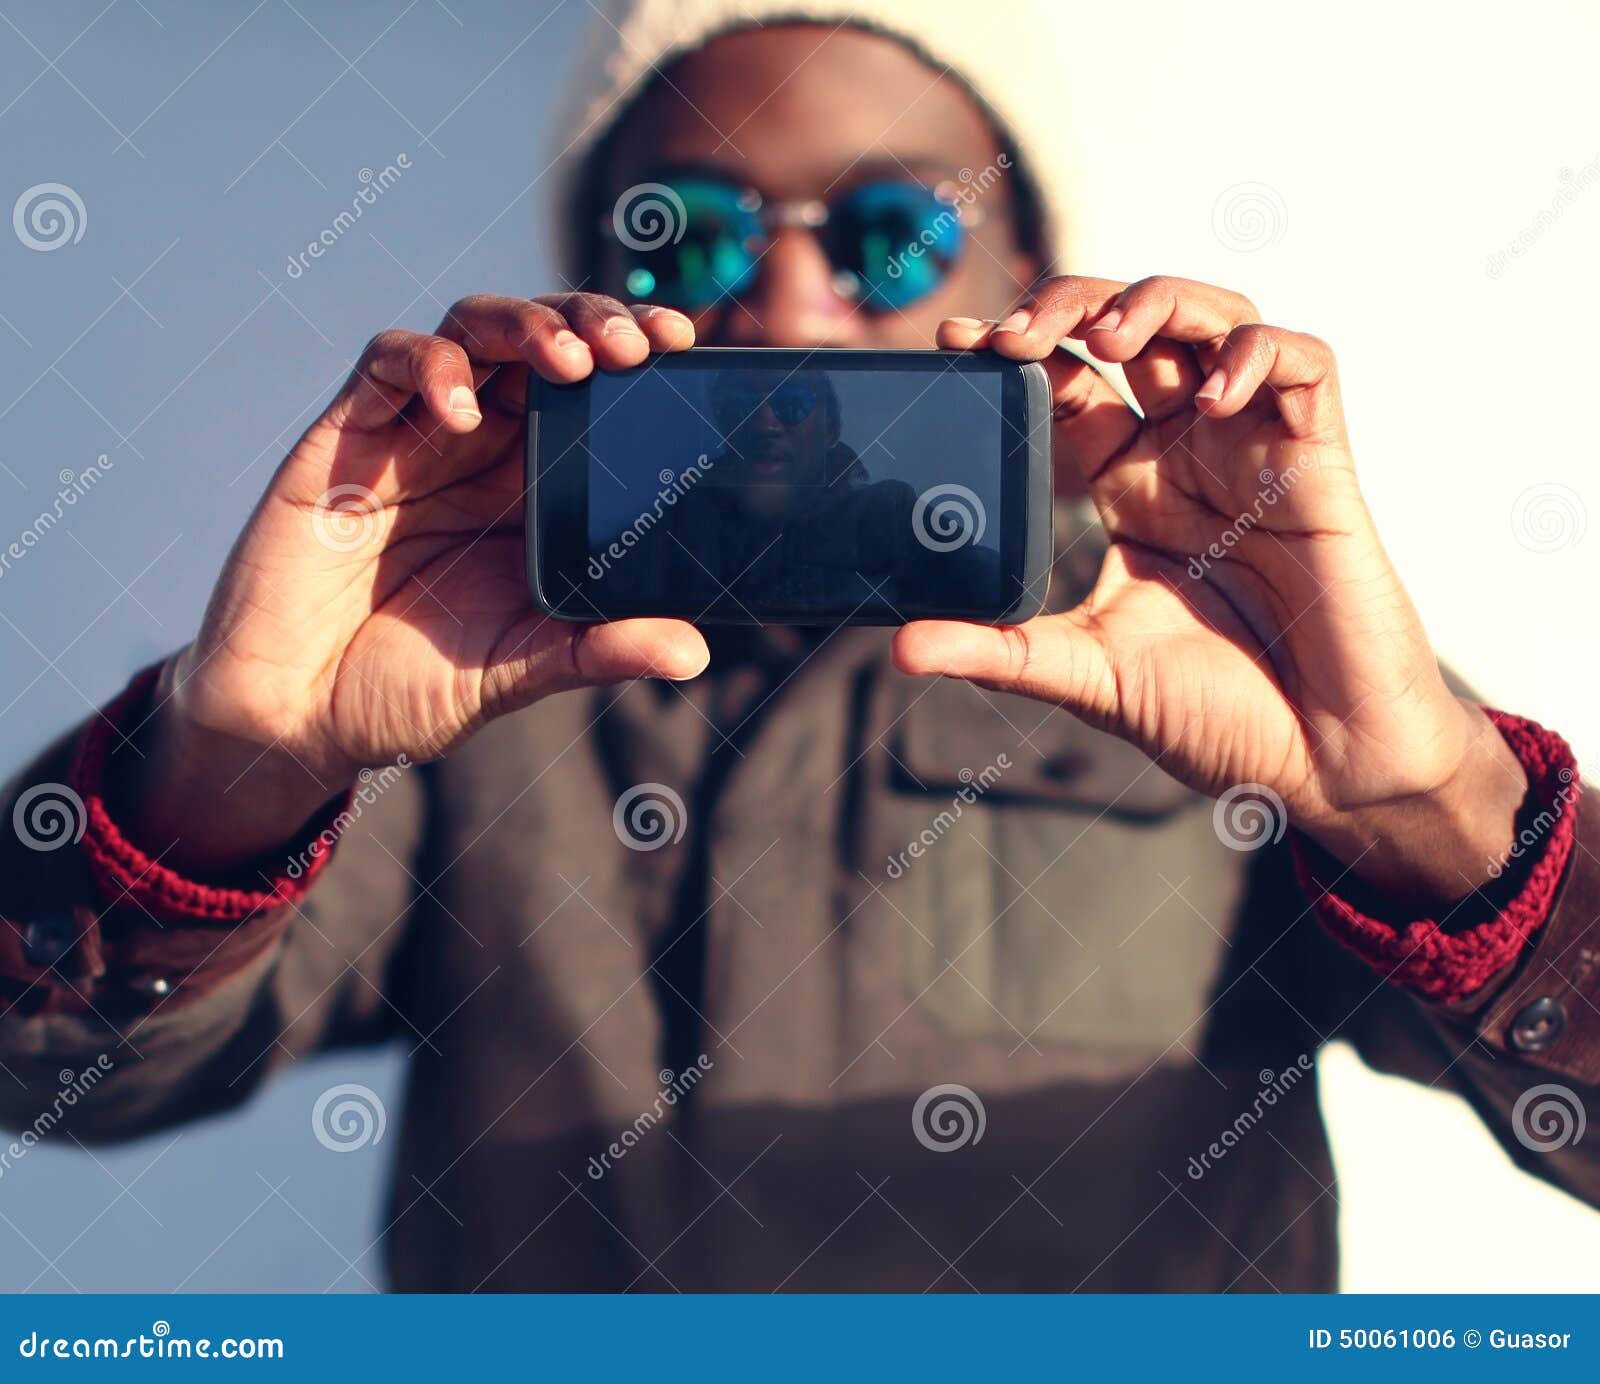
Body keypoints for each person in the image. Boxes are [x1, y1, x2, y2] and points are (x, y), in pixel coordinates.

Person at [2, 0, 1595, 1292]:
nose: (789, 296)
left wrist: (1427, 810)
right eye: (684, 232)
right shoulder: (450, 669)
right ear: (597, 284)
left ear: (1028, 291)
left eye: (890, 233)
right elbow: (45, 1080)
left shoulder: (1223, 636)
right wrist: (220, 773)